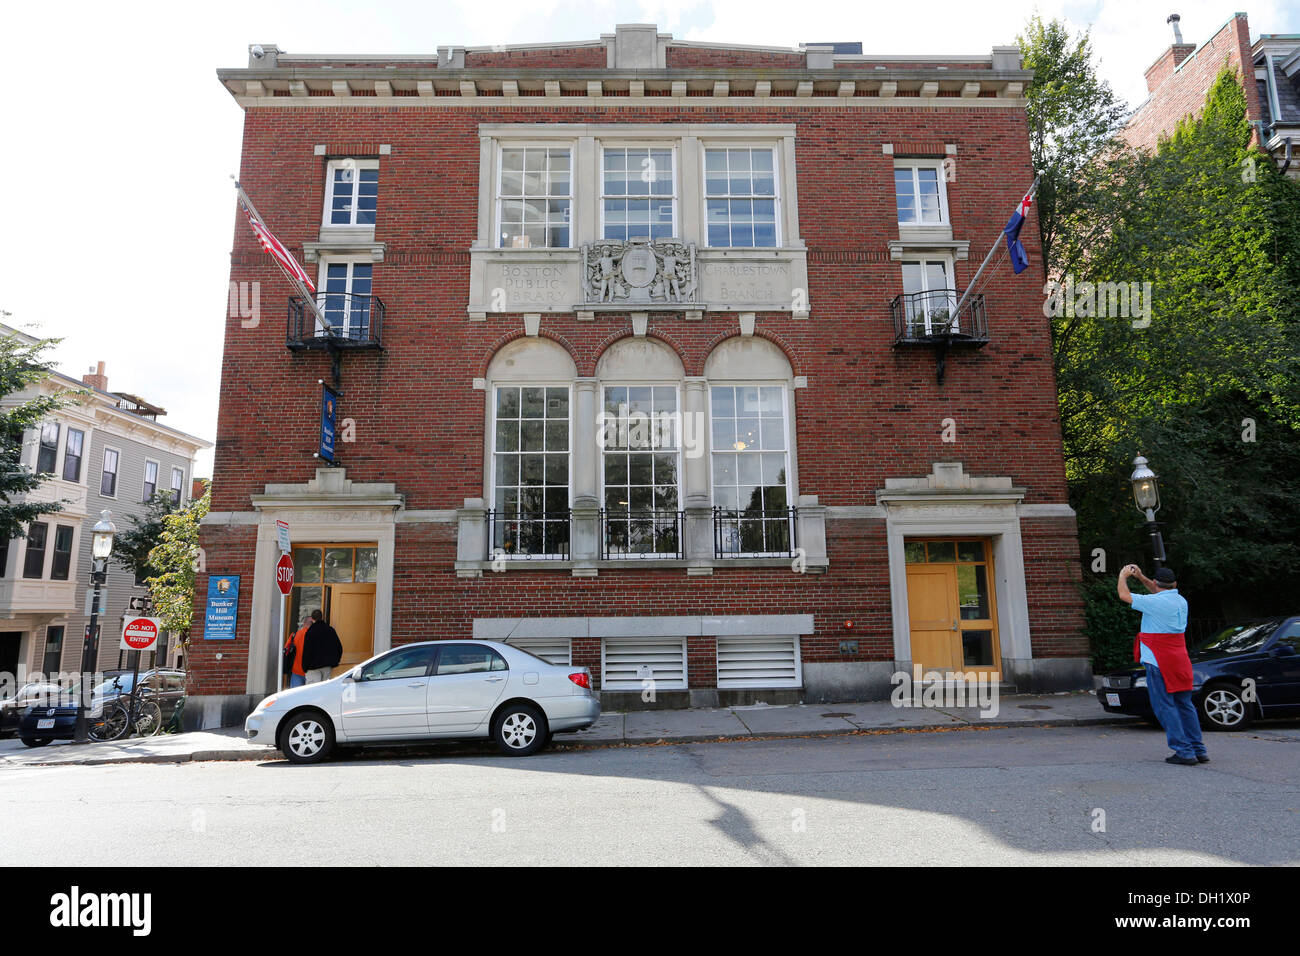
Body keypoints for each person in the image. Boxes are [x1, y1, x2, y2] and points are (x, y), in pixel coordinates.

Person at [1117, 564, 1206, 766]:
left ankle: (1184, 751)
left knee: (1164, 706)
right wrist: (1140, 576)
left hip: (1158, 660)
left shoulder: (1154, 602)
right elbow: (1158, 591)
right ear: (1174, 584)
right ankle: (1198, 749)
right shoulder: (1181, 601)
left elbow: (1124, 595)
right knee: (1185, 704)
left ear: (1157, 583)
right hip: (1180, 659)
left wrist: (1123, 576)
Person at [301, 609, 343, 683]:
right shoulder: (330, 630)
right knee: (325, 691)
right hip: (327, 666)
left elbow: (307, 651)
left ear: (312, 619)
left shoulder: (310, 632)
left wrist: (304, 667)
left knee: (313, 691)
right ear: (322, 617)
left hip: (312, 667)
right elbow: (339, 648)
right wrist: (335, 662)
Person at [283, 616, 310, 688]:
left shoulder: (294, 635)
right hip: (311, 671)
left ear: (304, 623)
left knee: (295, 696)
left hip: (296, 671)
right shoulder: (314, 635)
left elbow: (286, 650)